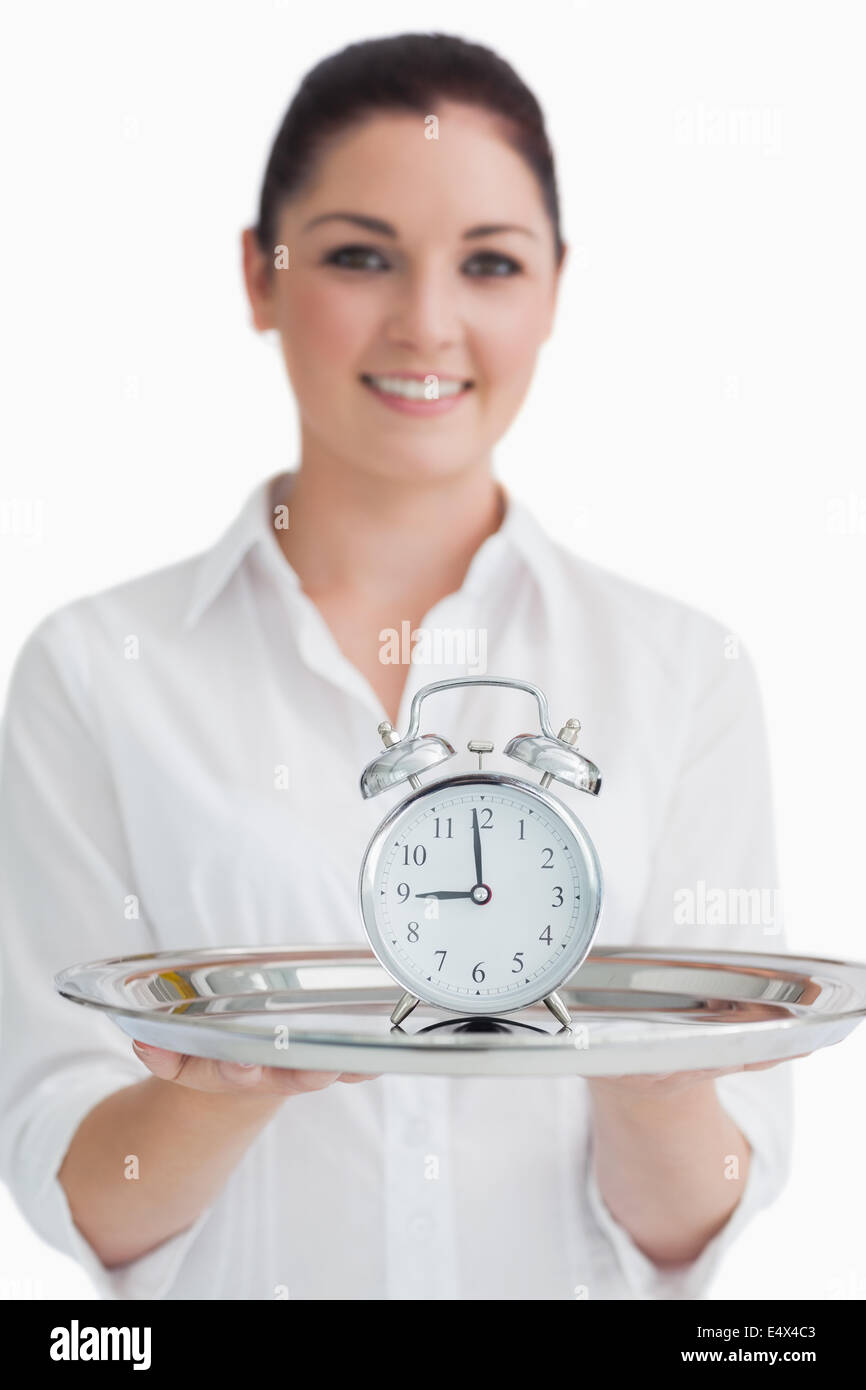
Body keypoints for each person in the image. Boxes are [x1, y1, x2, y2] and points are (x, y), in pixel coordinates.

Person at [0, 32, 794, 1301]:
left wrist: (657, 1075)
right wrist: (228, 1092)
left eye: (488, 263)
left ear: (551, 290)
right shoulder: (96, 673)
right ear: (258, 279)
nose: (426, 321)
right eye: (360, 255)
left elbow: (686, 1228)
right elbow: (79, 1190)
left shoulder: (679, 674)